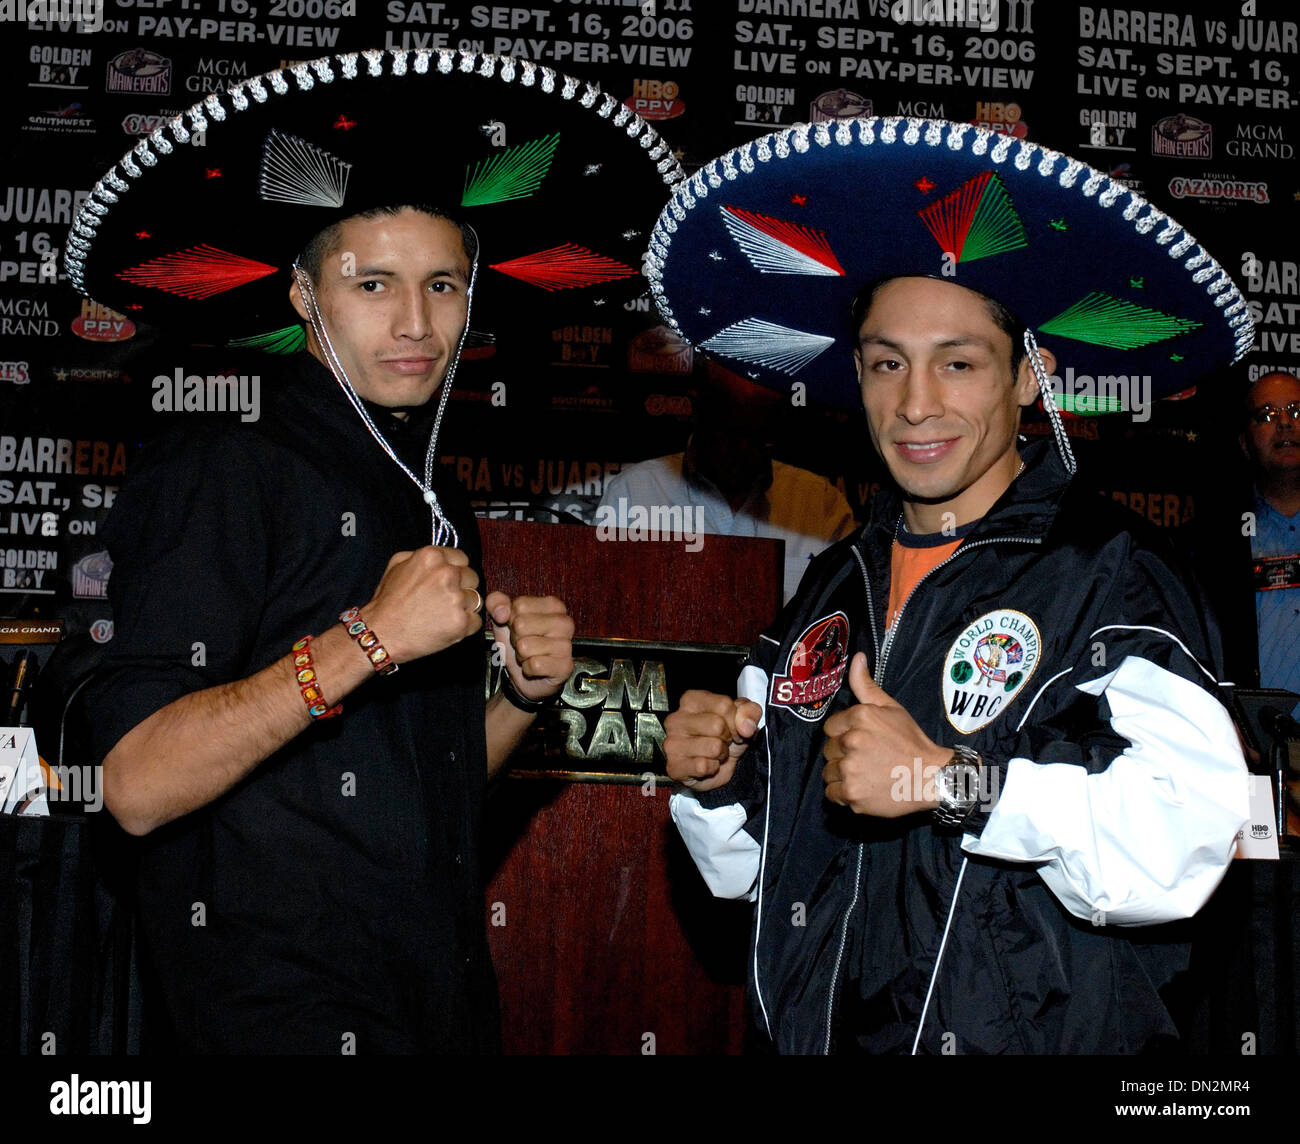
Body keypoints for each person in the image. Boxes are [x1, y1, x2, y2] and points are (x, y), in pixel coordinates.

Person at [69, 49, 682, 1053]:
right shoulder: (227, 453)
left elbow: (427, 787)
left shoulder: (424, 482)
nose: (415, 323)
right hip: (273, 1009)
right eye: (374, 284)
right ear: (307, 296)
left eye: (443, 284)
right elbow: (135, 783)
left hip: (431, 994)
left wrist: (520, 700)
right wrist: (364, 640)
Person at [647, 116, 1252, 1053]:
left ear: (1027, 377)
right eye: (888, 363)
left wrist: (950, 781)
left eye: (958, 363)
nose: (916, 403)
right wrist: (719, 785)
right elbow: (754, 878)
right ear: (857, 375)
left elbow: (1188, 840)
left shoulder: (1113, 570)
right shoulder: (831, 589)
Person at [597, 360, 856, 602]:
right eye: (731, 435)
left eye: (758, 439)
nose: (743, 451)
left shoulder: (819, 503)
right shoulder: (634, 493)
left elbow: (848, 611)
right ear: (697, 413)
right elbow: (605, 605)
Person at [1240, 372, 1300, 713]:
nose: (1285, 424)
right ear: (1245, 442)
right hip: (1256, 748)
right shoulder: (1212, 546)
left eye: (1296, 410)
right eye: (1267, 415)